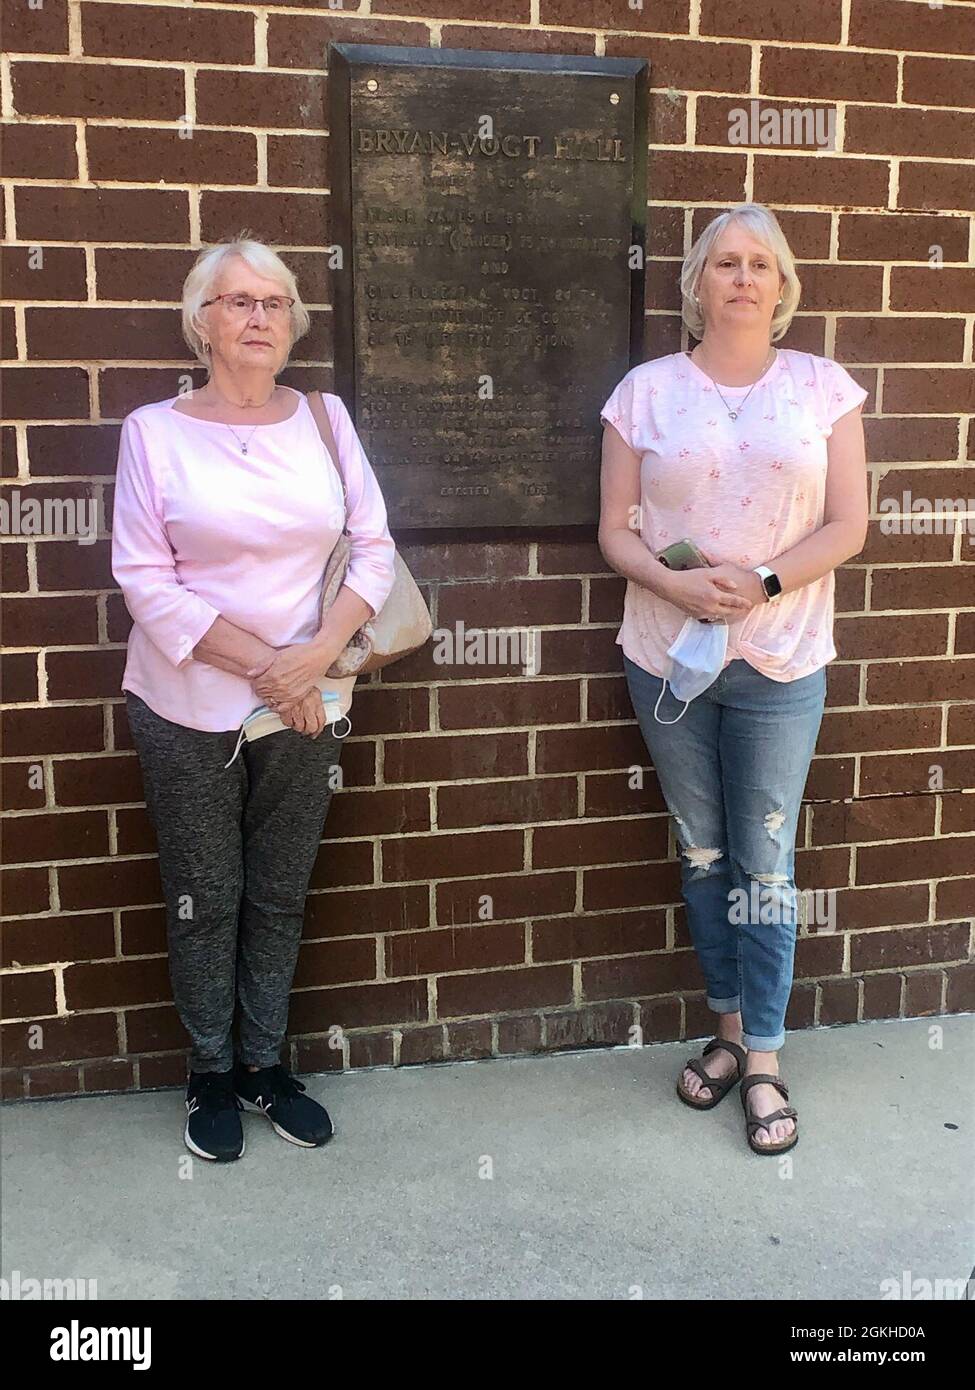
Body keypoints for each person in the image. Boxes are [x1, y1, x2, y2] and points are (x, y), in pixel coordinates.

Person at [111, 235, 396, 1161]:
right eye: (237, 301)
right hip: (187, 704)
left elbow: (375, 549)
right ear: (201, 322)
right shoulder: (154, 432)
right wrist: (274, 670)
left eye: (274, 302)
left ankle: (264, 1065)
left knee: (278, 890)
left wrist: (310, 663)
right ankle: (209, 1071)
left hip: (308, 703)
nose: (258, 317)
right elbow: (146, 581)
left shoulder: (324, 420)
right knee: (205, 892)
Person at [598, 202, 868, 1154]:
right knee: (704, 852)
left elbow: (847, 524)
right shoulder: (643, 393)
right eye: (725, 263)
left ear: (782, 285)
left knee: (766, 861)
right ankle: (723, 1028)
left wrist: (761, 582)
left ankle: (762, 1057)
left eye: (760, 263)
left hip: (780, 657)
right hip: (667, 658)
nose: (743, 278)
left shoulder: (822, 389)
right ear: (696, 284)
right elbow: (614, 527)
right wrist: (674, 583)